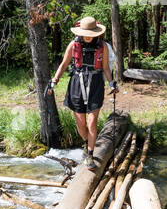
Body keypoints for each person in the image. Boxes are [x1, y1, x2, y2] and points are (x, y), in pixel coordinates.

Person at [48, 16, 118, 168]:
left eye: (91, 32)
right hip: (77, 84)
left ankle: (90, 155)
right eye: (86, 32)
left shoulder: (103, 46)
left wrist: (112, 83)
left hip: (95, 84)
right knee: (81, 125)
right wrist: (55, 80)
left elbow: (105, 67)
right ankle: (87, 143)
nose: (87, 35)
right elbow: (64, 64)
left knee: (92, 123)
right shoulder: (74, 44)